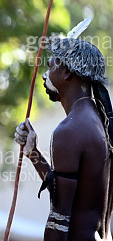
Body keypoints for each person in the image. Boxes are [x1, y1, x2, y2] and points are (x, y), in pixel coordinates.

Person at [15, 36, 113, 240]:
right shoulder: (96, 119)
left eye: (50, 67)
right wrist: (32, 152)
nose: (44, 76)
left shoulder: (70, 129)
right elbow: (66, 187)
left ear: (67, 72)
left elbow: (59, 218)